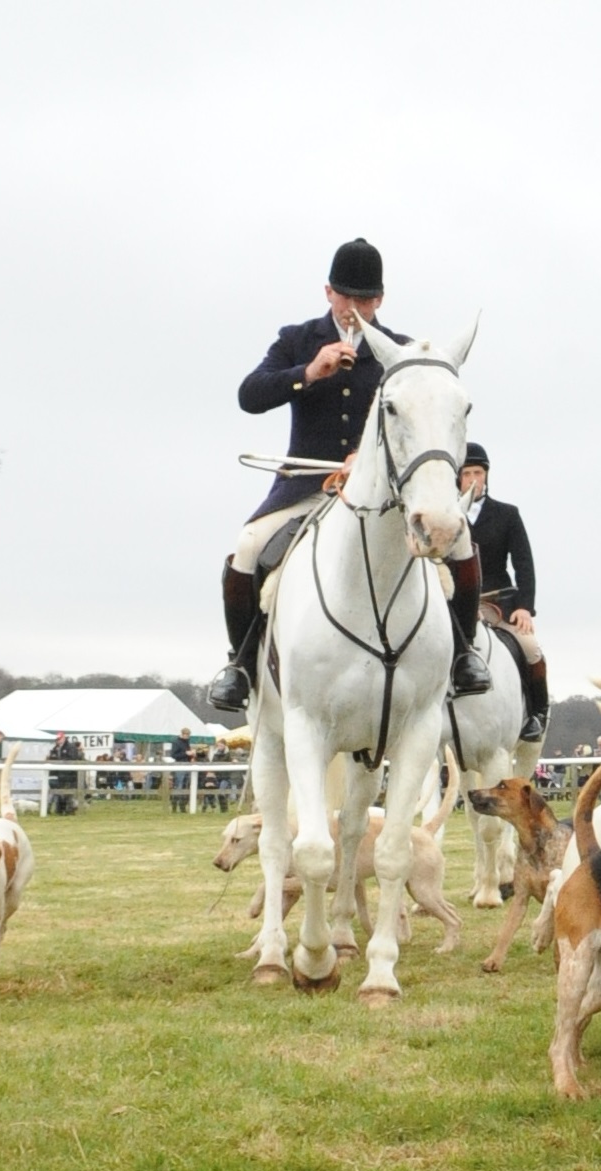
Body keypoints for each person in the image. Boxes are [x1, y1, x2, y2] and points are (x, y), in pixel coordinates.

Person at [209, 237, 491, 712]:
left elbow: (417, 423)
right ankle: (239, 664)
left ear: (379, 300)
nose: (353, 308)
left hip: (379, 494)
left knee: (459, 541)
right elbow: (249, 395)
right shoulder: (296, 339)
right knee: (249, 546)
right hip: (304, 486)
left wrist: (365, 456)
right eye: (345, 297)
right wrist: (308, 373)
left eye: (364, 299)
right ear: (327, 293)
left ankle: (463, 653)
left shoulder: (400, 351)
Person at [459, 442, 549, 742]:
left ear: (486, 475)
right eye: (467, 473)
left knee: (530, 649)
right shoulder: (446, 516)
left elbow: (524, 563)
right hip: (455, 603)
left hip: (499, 602)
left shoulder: (507, 514)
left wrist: (525, 607)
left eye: (478, 473)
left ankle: (536, 714)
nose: (473, 479)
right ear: (457, 478)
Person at [170, 727, 193, 813]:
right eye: (186, 735)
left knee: (185, 786)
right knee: (179, 786)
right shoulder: (176, 742)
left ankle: (182, 806)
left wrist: (190, 754)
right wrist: (185, 753)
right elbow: (173, 755)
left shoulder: (187, 742)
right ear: (182, 734)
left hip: (187, 765)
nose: (187, 737)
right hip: (180, 765)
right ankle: (174, 806)